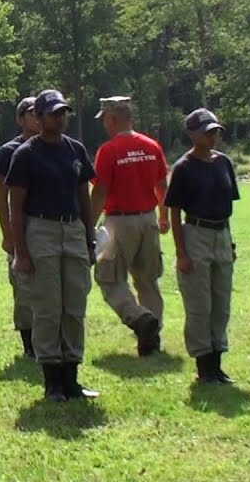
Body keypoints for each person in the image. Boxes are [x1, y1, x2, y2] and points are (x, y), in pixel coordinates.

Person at [6, 90, 100, 401]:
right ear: (39, 116)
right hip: (40, 230)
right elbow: (16, 207)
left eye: (64, 113)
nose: (60, 118)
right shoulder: (26, 154)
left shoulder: (75, 150)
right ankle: (52, 381)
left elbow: (83, 197)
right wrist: (21, 251)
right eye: (53, 113)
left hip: (71, 229)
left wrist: (89, 240)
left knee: (74, 304)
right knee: (48, 308)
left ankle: (71, 377)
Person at [88, 96, 169, 356]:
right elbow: (162, 185)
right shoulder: (151, 146)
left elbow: (100, 192)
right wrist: (164, 215)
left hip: (118, 223)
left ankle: (138, 318)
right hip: (148, 219)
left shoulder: (109, 151)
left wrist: (88, 225)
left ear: (112, 119)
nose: (104, 127)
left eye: (105, 122)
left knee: (108, 277)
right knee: (148, 280)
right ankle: (153, 336)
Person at [166, 109, 238, 384]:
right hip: (195, 232)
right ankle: (204, 365)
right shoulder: (184, 167)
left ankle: (218, 363)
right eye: (207, 132)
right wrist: (181, 253)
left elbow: (227, 206)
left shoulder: (224, 163)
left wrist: (229, 243)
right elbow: (174, 211)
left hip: (220, 233)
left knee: (221, 302)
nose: (213, 136)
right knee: (199, 304)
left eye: (215, 131)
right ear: (192, 134)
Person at [0, 97, 39, 358]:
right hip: (20, 225)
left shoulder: (50, 146)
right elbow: (1, 196)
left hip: (47, 223)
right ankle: (28, 342)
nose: (36, 118)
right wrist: (7, 234)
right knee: (23, 286)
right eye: (30, 114)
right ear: (20, 119)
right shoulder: (8, 151)